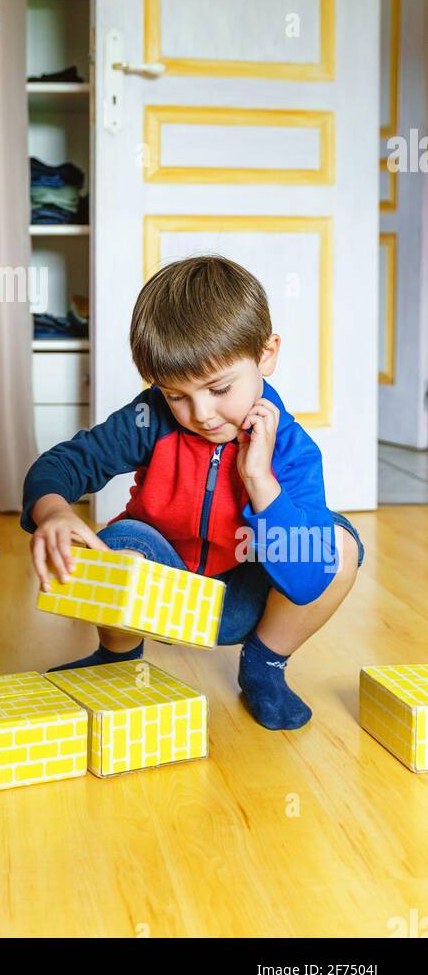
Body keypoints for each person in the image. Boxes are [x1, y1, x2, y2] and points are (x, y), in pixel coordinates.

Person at [21, 255, 365, 732]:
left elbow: (307, 582)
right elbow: (62, 464)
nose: (200, 413)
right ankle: (116, 660)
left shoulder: (291, 449)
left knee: (338, 545)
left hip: (246, 603)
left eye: (219, 388)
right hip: (160, 593)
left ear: (266, 355)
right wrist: (54, 510)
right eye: (175, 395)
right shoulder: (150, 419)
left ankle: (265, 666)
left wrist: (261, 482)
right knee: (121, 540)